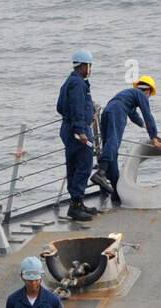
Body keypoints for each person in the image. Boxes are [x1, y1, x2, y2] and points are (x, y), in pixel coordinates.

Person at [90, 76, 161, 205]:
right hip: (117, 112)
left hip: (108, 111)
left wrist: (144, 126)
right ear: (148, 91)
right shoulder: (140, 95)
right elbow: (147, 113)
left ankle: (115, 191)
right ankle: (101, 172)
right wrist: (153, 137)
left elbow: (133, 115)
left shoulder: (128, 94)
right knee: (114, 143)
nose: (148, 98)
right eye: (149, 95)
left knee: (111, 148)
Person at [56, 50, 98, 222]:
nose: (90, 69)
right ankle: (75, 205)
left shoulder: (69, 82)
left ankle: (78, 203)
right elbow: (78, 108)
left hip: (68, 128)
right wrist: (80, 131)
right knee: (83, 165)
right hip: (78, 131)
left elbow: (60, 107)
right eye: (89, 66)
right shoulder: (79, 84)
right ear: (84, 66)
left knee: (73, 166)